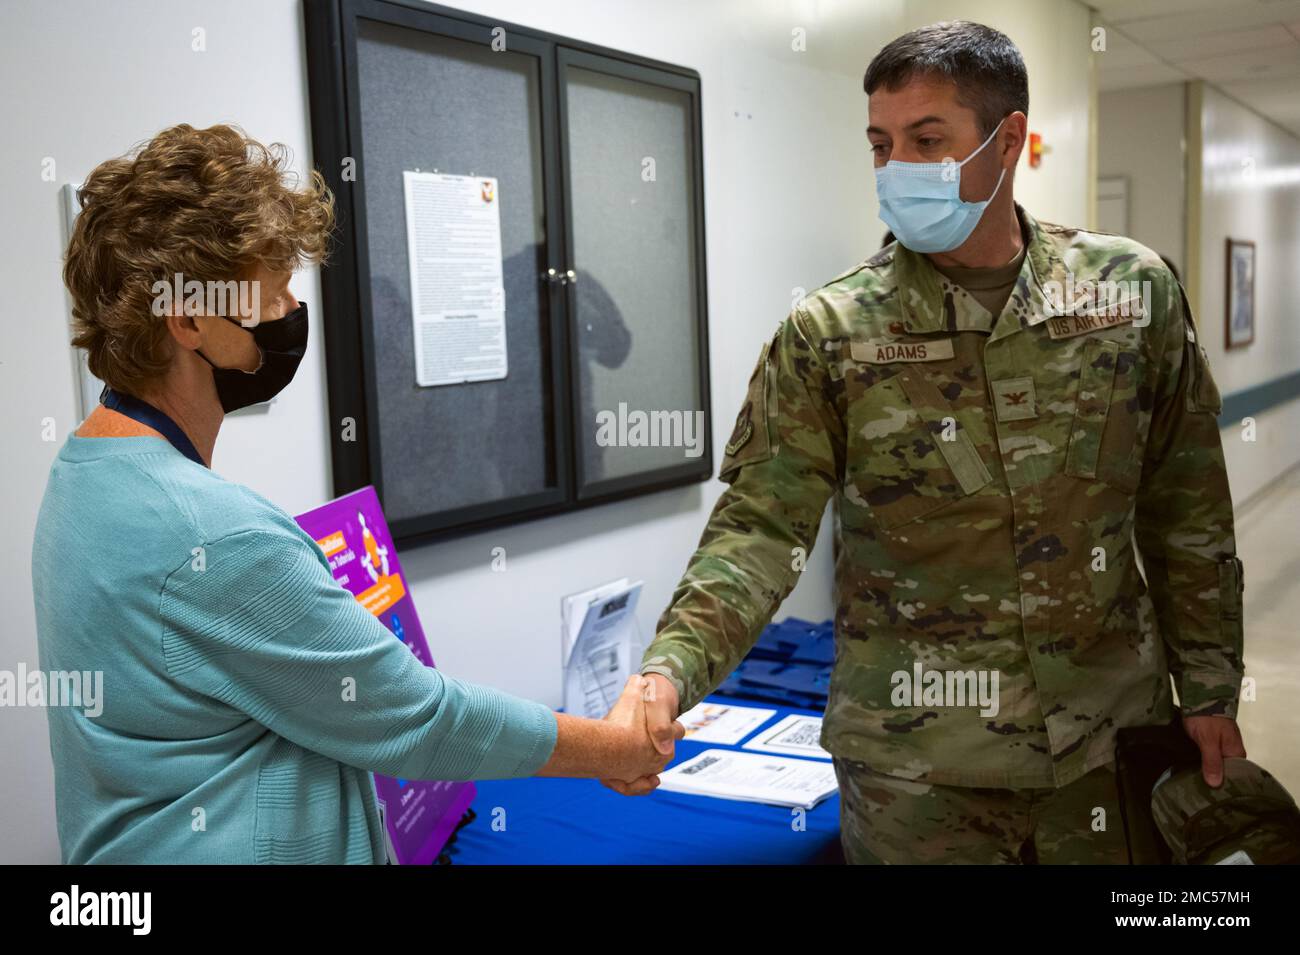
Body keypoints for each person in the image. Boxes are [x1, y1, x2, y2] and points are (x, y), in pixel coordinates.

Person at [618, 21, 1245, 864]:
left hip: (1107, 743)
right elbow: (762, 525)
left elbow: (1186, 504)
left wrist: (1208, 686)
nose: (895, 169)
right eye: (880, 144)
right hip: (916, 770)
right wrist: (668, 671)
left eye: (926, 140)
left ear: (1008, 139)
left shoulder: (1131, 294)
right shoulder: (832, 330)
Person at [33, 124, 680, 864]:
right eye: (271, 298)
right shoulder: (214, 536)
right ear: (187, 320)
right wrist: (616, 748)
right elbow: (417, 717)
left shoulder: (77, 478)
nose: (287, 319)